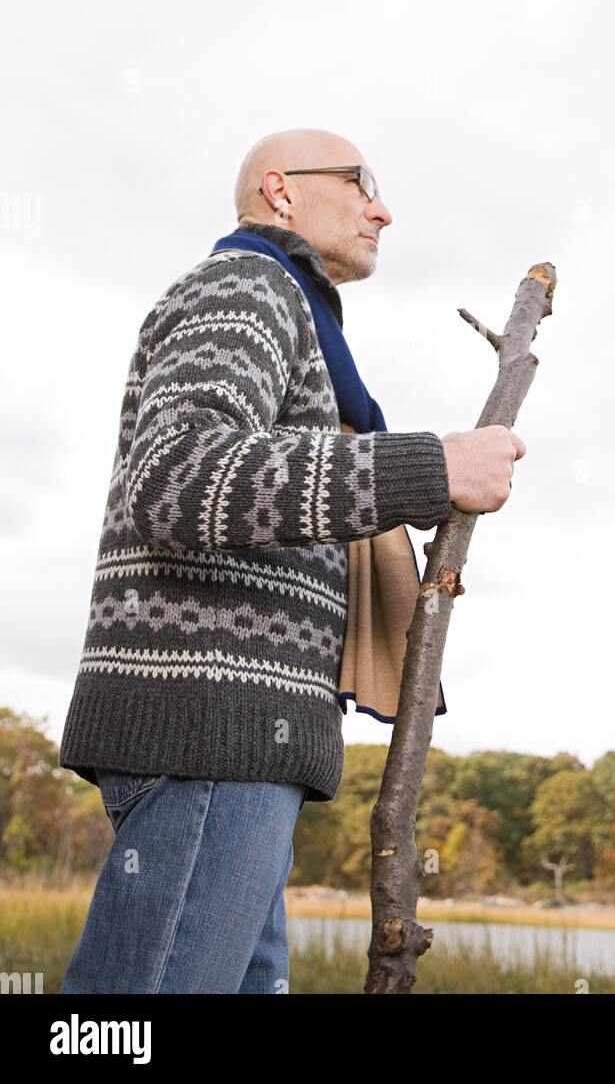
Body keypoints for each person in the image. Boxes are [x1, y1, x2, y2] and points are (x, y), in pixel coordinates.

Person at [58, 127, 525, 994]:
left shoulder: (298, 320)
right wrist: (431, 467)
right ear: (280, 190)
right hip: (209, 726)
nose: (382, 207)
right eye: (362, 182)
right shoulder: (245, 286)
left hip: (244, 742)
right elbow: (176, 477)